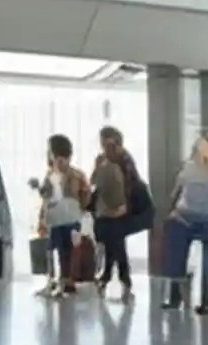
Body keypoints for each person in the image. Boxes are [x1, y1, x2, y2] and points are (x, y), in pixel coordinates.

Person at [163, 137, 208, 314]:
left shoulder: (187, 170)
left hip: (186, 218)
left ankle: (175, 297)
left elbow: (175, 195)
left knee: (176, 250)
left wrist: (170, 214)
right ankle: (206, 300)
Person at [33, 135, 89, 297]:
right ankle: (53, 281)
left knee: (68, 250)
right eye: (55, 156)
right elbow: (45, 198)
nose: (59, 161)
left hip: (71, 219)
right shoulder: (49, 175)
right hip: (55, 219)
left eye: (62, 157)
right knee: (52, 249)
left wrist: (81, 209)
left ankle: (66, 281)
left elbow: (85, 196)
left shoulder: (76, 175)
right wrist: (42, 218)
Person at [92, 126, 140, 304]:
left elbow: (131, 182)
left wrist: (125, 205)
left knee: (116, 242)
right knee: (112, 242)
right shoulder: (102, 160)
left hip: (121, 207)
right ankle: (116, 277)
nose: (104, 146)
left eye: (107, 142)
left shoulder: (124, 159)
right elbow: (95, 181)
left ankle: (118, 277)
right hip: (105, 208)